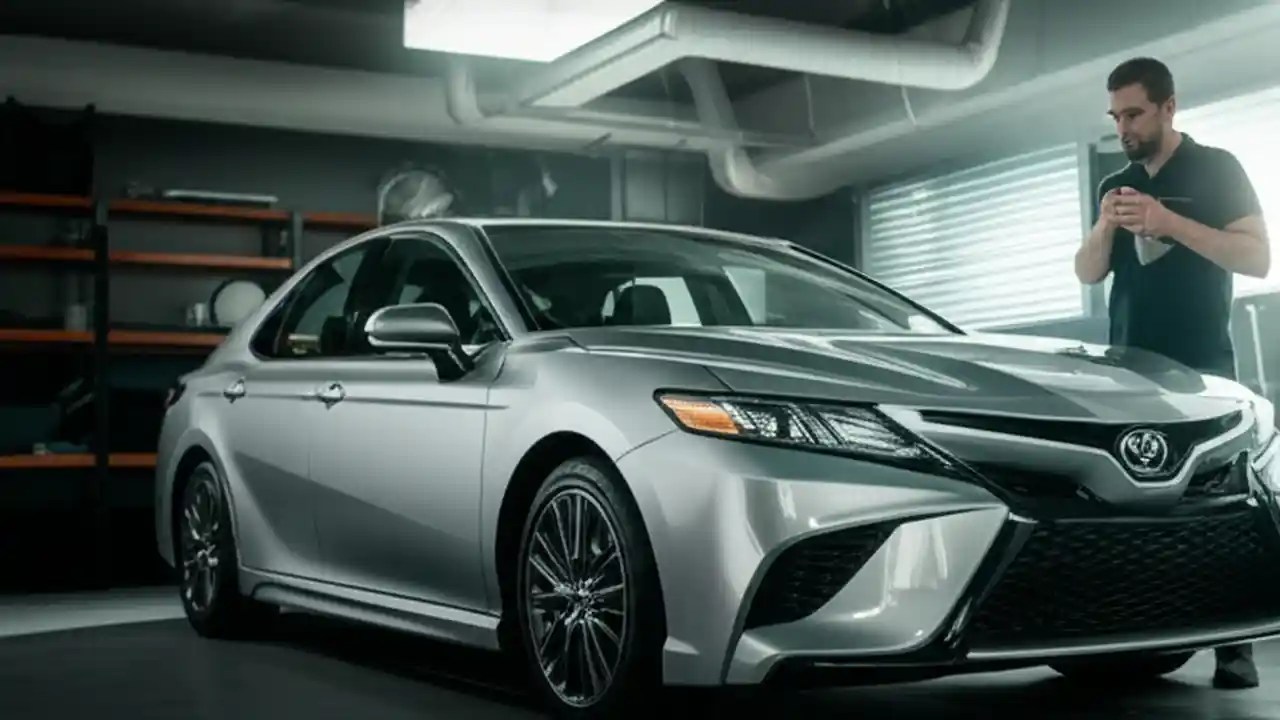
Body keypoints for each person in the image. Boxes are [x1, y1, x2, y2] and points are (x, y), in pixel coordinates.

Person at [1074, 57, 1271, 689]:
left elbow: (1258, 256)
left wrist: (1169, 224)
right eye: (1115, 116)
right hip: (1128, 374)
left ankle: (1232, 647)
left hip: (1203, 369)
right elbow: (1086, 272)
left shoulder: (1217, 168)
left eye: (1133, 113)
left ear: (1168, 107)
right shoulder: (1117, 179)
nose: (1123, 126)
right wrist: (1107, 222)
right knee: (1133, 509)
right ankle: (1137, 635)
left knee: (1220, 506)